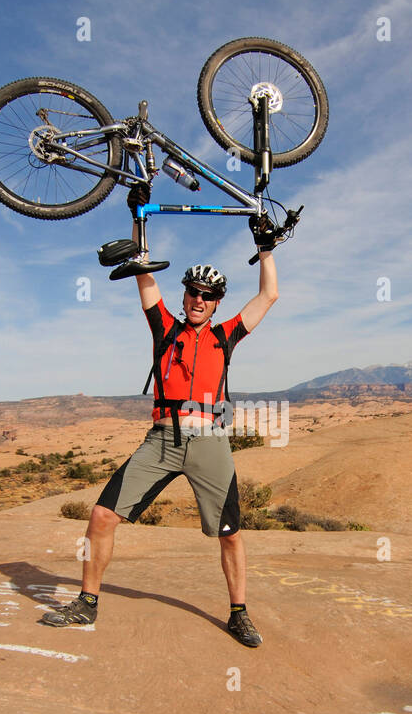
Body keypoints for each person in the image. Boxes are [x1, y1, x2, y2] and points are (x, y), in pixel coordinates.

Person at [41, 185, 280, 647]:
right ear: (185, 294)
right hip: (163, 440)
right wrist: (138, 214)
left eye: (207, 295)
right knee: (102, 516)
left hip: (210, 442)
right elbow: (140, 268)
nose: (197, 299)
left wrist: (264, 247)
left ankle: (238, 613)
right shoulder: (164, 327)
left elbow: (269, 294)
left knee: (229, 533)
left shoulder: (225, 336)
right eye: (192, 291)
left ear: (217, 302)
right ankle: (86, 605)